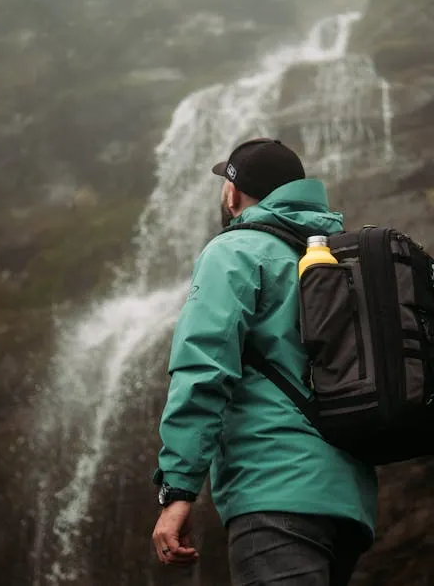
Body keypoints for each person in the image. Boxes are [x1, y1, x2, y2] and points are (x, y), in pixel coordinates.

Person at [150, 138, 378, 585]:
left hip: (274, 491)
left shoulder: (233, 251)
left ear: (233, 193)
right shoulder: (336, 257)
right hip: (347, 502)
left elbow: (203, 370)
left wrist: (178, 491)